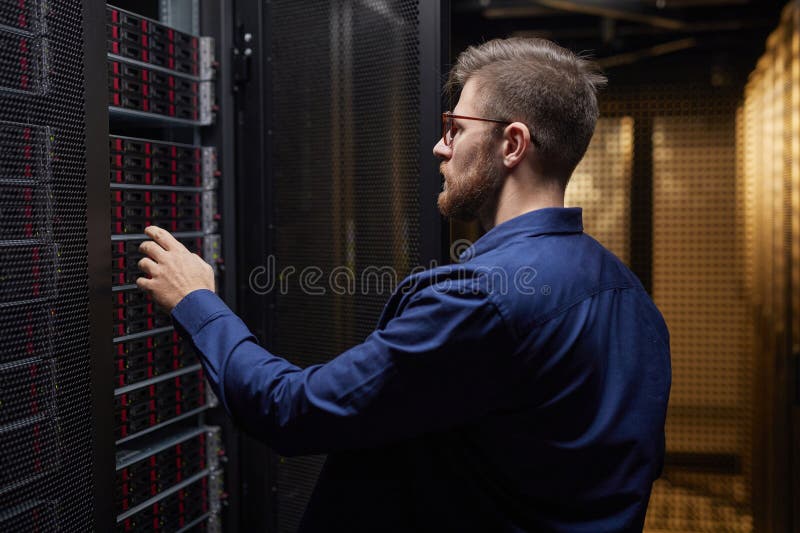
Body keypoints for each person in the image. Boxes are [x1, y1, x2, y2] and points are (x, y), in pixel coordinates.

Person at [136, 38, 671, 532]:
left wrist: (196, 300)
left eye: (456, 128)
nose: (441, 149)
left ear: (512, 144)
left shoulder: (481, 297)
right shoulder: (633, 299)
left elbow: (290, 411)